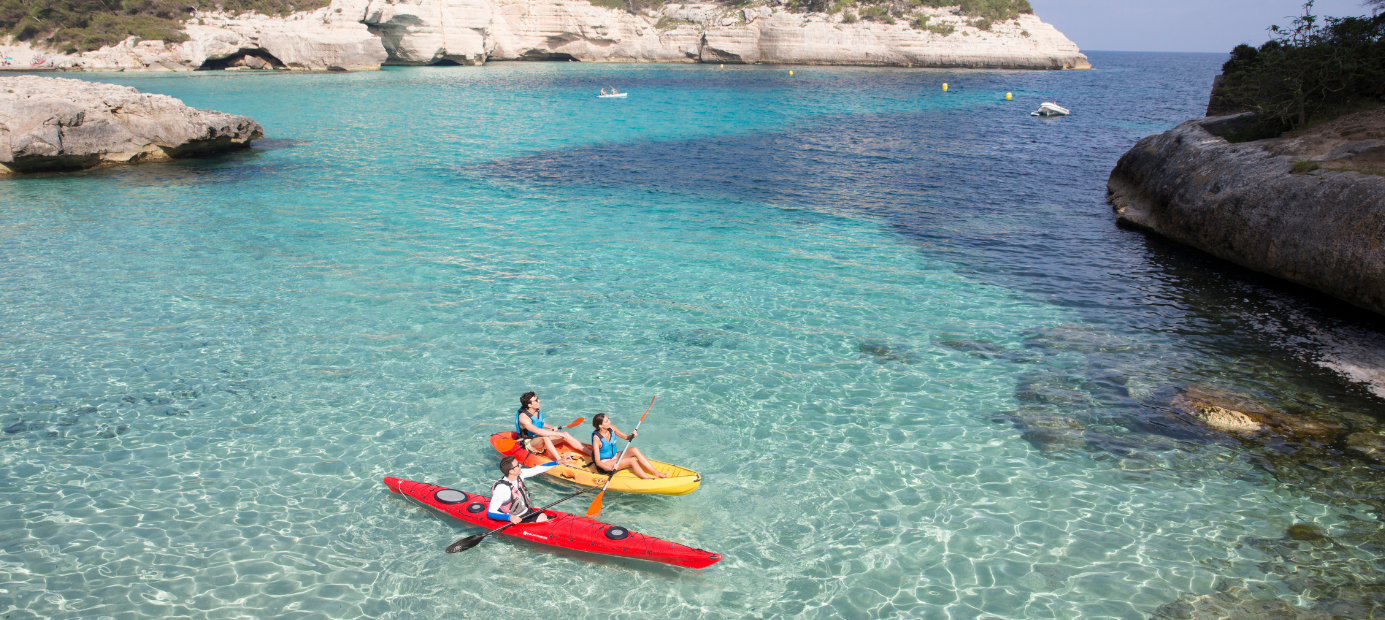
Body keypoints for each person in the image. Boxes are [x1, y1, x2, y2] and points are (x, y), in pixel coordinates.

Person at [515, 392, 588, 463]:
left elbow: (539, 423)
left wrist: (551, 427)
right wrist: (557, 434)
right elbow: (538, 431)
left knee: (565, 434)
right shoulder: (523, 418)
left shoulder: (536, 410)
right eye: (536, 400)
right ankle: (560, 460)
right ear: (529, 405)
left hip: (539, 439)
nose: (539, 401)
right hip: (530, 443)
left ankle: (590, 453)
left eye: (538, 398)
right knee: (545, 436)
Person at [590, 413, 667, 480]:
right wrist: (611, 468)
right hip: (605, 464)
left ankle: (656, 473)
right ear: (600, 426)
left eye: (608, 419)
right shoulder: (596, 439)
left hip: (615, 456)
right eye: (606, 421)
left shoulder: (612, 428)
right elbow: (598, 462)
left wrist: (632, 435)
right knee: (632, 460)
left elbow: (626, 437)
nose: (609, 421)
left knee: (634, 449)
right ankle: (648, 479)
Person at [488, 456, 554, 524]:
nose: (520, 465)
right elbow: (491, 512)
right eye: (517, 465)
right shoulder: (502, 489)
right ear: (511, 471)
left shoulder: (519, 476)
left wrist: (558, 462)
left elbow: (537, 469)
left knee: (545, 517)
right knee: (544, 522)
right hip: (514, 518)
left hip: (526, 512)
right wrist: (510, 517)